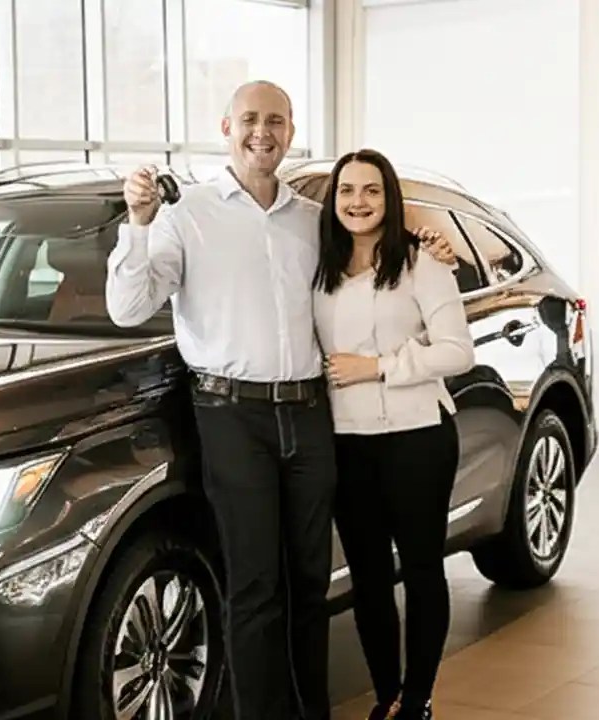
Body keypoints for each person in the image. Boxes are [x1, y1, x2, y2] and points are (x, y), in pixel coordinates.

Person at [105, 80, 454, 720]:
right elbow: (128, 308)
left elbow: (369, 254)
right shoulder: (188, 215)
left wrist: (430, 242)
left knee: (309, 584)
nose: (261, 132)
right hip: (232, 416)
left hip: (311, 416)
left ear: (290, 131)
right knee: (255, 587)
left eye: (275, 120)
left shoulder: (309, 219)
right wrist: (137, 222)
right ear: (225, 127)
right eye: (249, 120)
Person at [313, 149, 475, 720]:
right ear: (333, 202)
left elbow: (458, 351)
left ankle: (420, 698)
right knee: (369, 579)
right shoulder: (320, 265)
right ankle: (388, 697)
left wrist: (378, 365)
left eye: (372, 191)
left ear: (389, 198)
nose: (359, 202)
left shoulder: (419, 262)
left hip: (416, 437)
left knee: (422, 568)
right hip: (346, 440)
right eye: (347, 191)